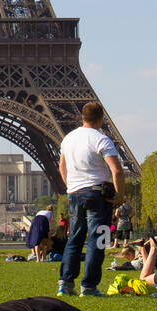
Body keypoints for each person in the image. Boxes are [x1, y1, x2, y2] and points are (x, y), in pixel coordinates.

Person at [58, 102, 124, 299]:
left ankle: (65, 284)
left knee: (74, 239)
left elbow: (62, 167)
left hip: (75, 194)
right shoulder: (101, 139)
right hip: (97, 195)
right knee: (99, 240)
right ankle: (88, 287)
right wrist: (119, 197)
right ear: (101, 118)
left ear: (82, 117)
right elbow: (117, 170)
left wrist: (71, 186)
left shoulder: (68, 139)